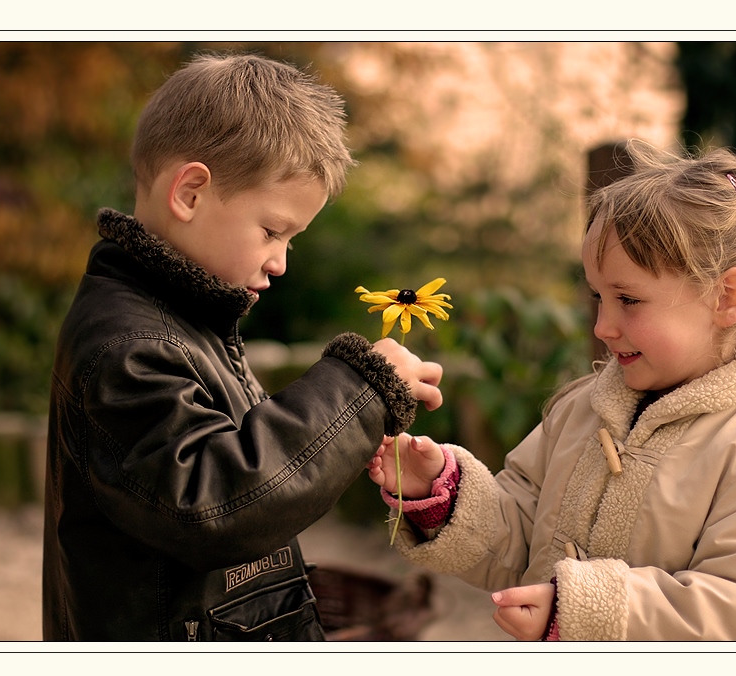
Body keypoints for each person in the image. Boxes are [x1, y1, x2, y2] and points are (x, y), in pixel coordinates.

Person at [42, 52, 443, 642]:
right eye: (272, 231)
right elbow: (214, 506)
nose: (280, 261)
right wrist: (359, 390)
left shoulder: (191, 322)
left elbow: (246, 462)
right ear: (191, 193)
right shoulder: (127, 348)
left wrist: (333, 443)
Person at [368, 139, 736, 641]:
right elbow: (517, 539)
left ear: (727, 298)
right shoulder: (579, 410)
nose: (604, 326)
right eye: (598, 296)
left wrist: (582, 610)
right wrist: (444, 492)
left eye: (628, 299)